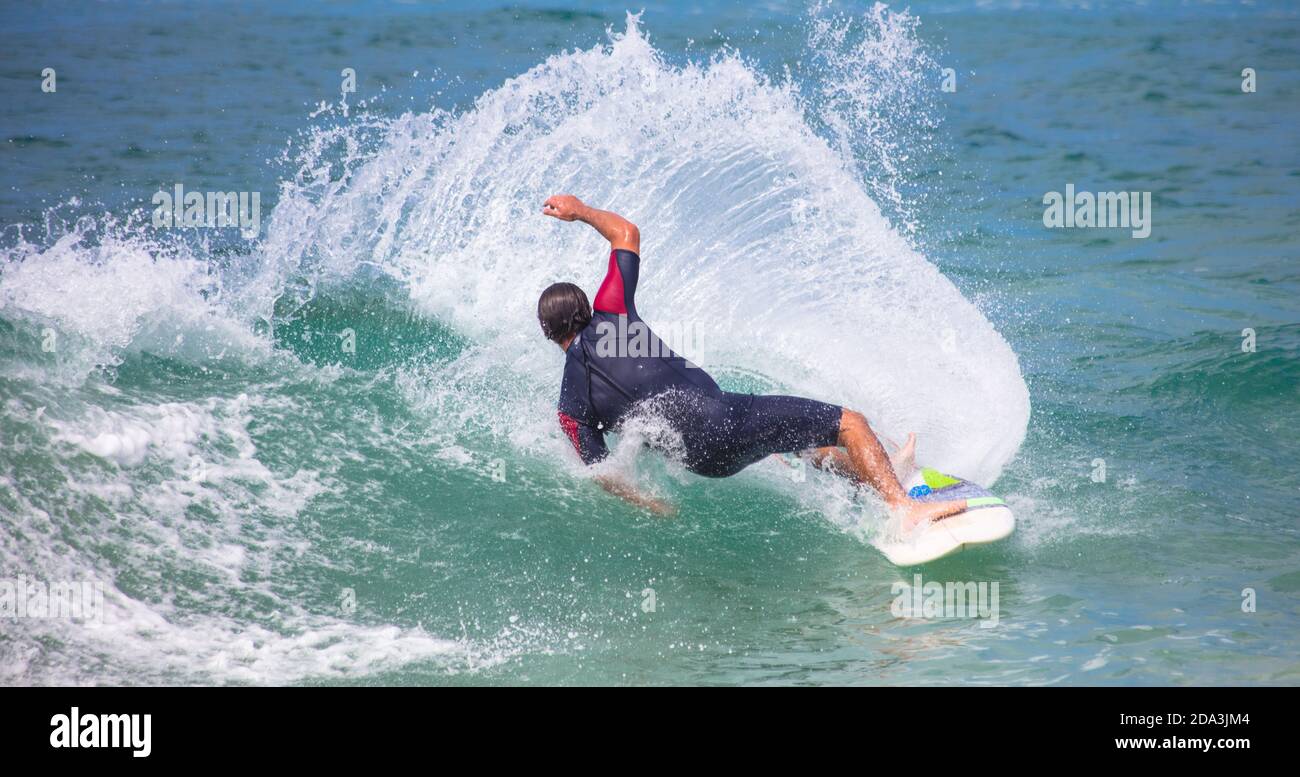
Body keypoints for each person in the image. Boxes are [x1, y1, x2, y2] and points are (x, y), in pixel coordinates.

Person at [538, 194, 966, 527]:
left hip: (703, 462)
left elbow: (602, 471)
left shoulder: (570, 408)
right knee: (850, 422)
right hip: (722, 418)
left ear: (549, 334)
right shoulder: (610, 314)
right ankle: (900, 506)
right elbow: (625, 232)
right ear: (586, 310)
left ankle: (874, 475)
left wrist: (650, 504)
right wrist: (580, 211)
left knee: (793, 442)